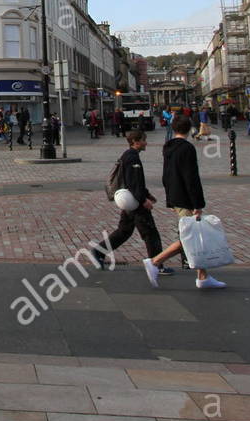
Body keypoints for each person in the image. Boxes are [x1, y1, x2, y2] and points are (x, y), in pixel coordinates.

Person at [142, 114, 225, 290]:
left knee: (193, 235)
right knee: (189, 237)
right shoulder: (186, 148)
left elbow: (166, 175)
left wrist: (170, 197)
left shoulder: (168, 147)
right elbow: (191, 178)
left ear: (173, 128)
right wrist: (198, 203)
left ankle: (203, 277)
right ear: (189, 129)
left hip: (175, 196)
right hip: (185, 198)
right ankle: (155, 262)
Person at [94, 129, 171, 275]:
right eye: (143, 140)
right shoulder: (132, 158)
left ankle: (99, 251)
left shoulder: (130, 155)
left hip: (130, 201)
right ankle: (156, 264)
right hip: (135, 202)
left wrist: (147, 194)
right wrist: (143, 200)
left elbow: (136, 182)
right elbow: (133, 182)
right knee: (150, 233)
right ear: (136, 142)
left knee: (124, 231)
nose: (146, 143)